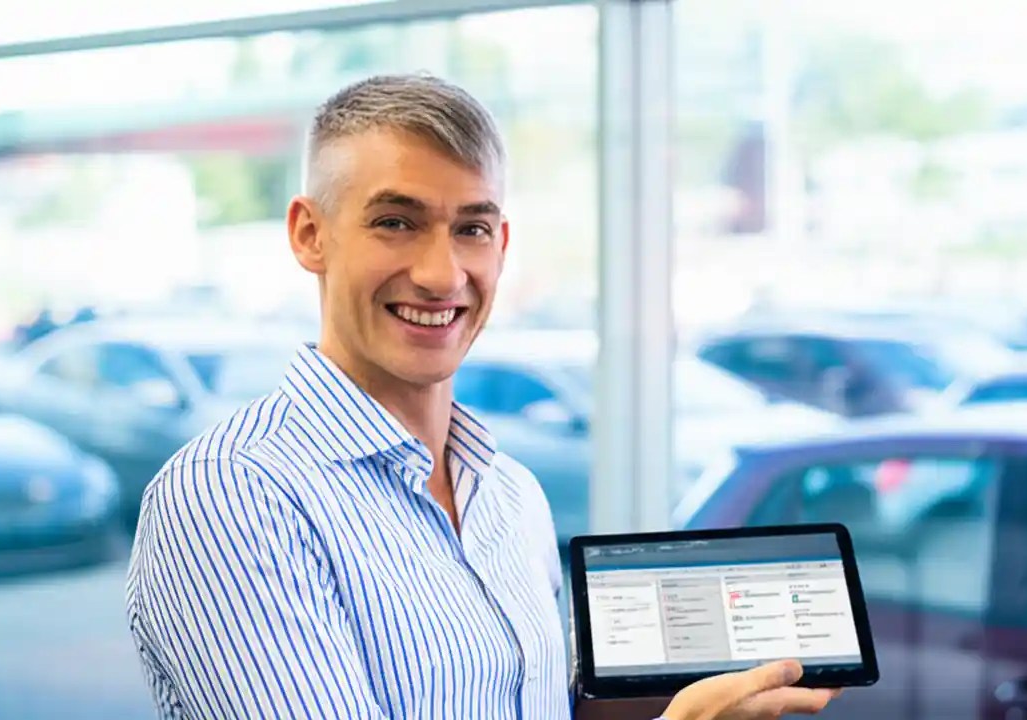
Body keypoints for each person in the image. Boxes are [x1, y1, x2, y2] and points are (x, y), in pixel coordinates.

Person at [124, 73, 841, 720]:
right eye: (396, 222)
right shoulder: (230, 499)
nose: (442, 274)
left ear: (500, 244)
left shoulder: (511, 496)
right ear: (310, 235)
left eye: (469, 229)